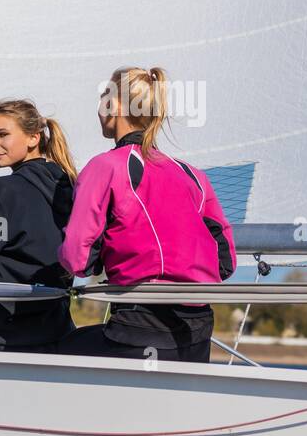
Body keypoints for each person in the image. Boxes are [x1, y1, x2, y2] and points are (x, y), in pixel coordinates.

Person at [58, 66, 235, 363]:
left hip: (137, 330)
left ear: (113, 105)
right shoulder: (192, 175)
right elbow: (225, 260)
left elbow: (77, 259)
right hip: (196, 335)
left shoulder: (105, 167)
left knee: (53, 353)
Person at [0, 99, 78, 352]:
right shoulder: (70, 187)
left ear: (34, 138)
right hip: (57, 333)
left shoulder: (4, 191)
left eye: (3, 135)